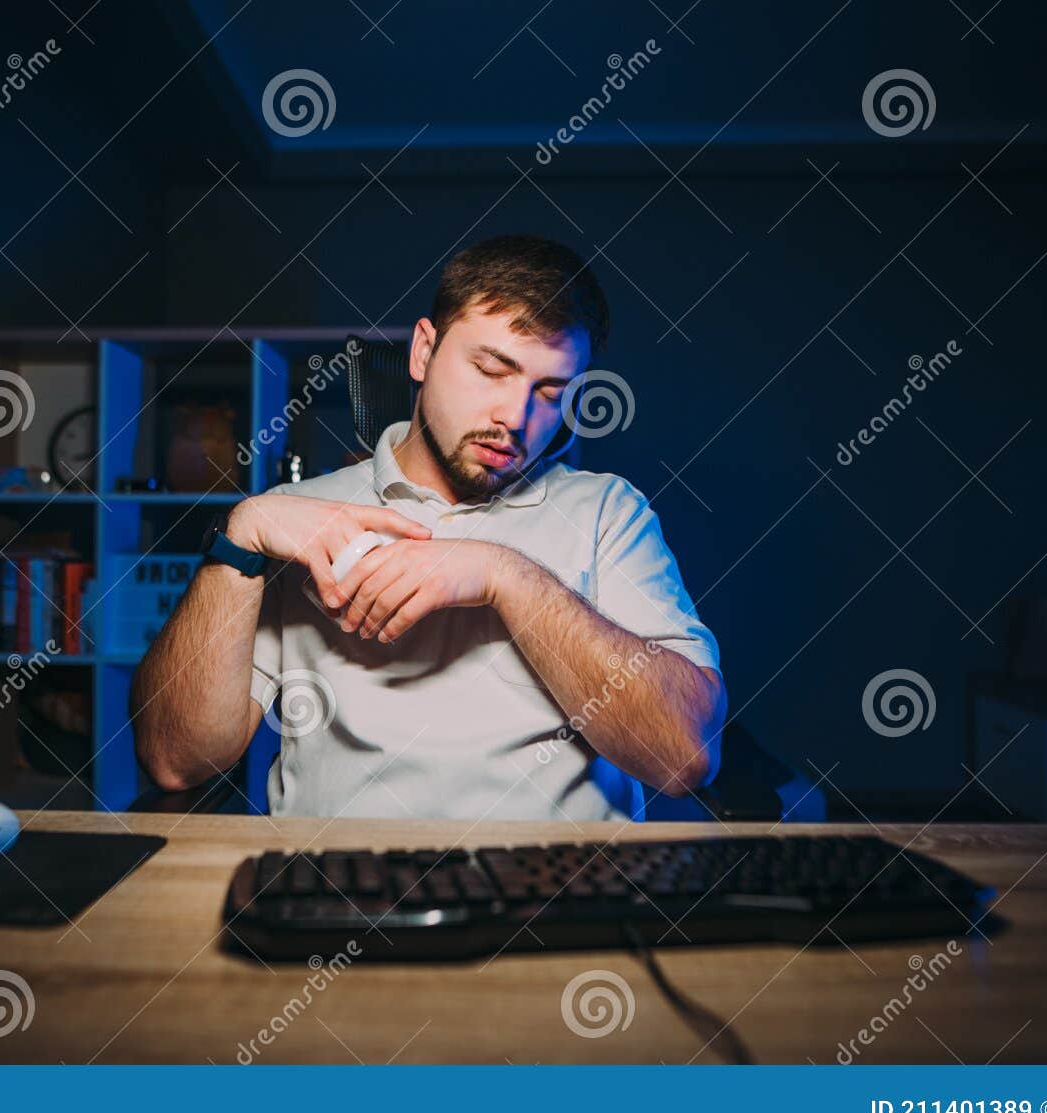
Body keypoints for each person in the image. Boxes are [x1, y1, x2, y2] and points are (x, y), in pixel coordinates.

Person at [130, 235, 725, 821]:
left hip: (555, 877)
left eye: (550, 392)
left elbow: (684, 757)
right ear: (422, 352)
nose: (515, 417)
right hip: (336, 875)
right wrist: (242, 533)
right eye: (491, 370)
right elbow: (175, 762)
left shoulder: (606, 513)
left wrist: (504, 575)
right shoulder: (294, 518)